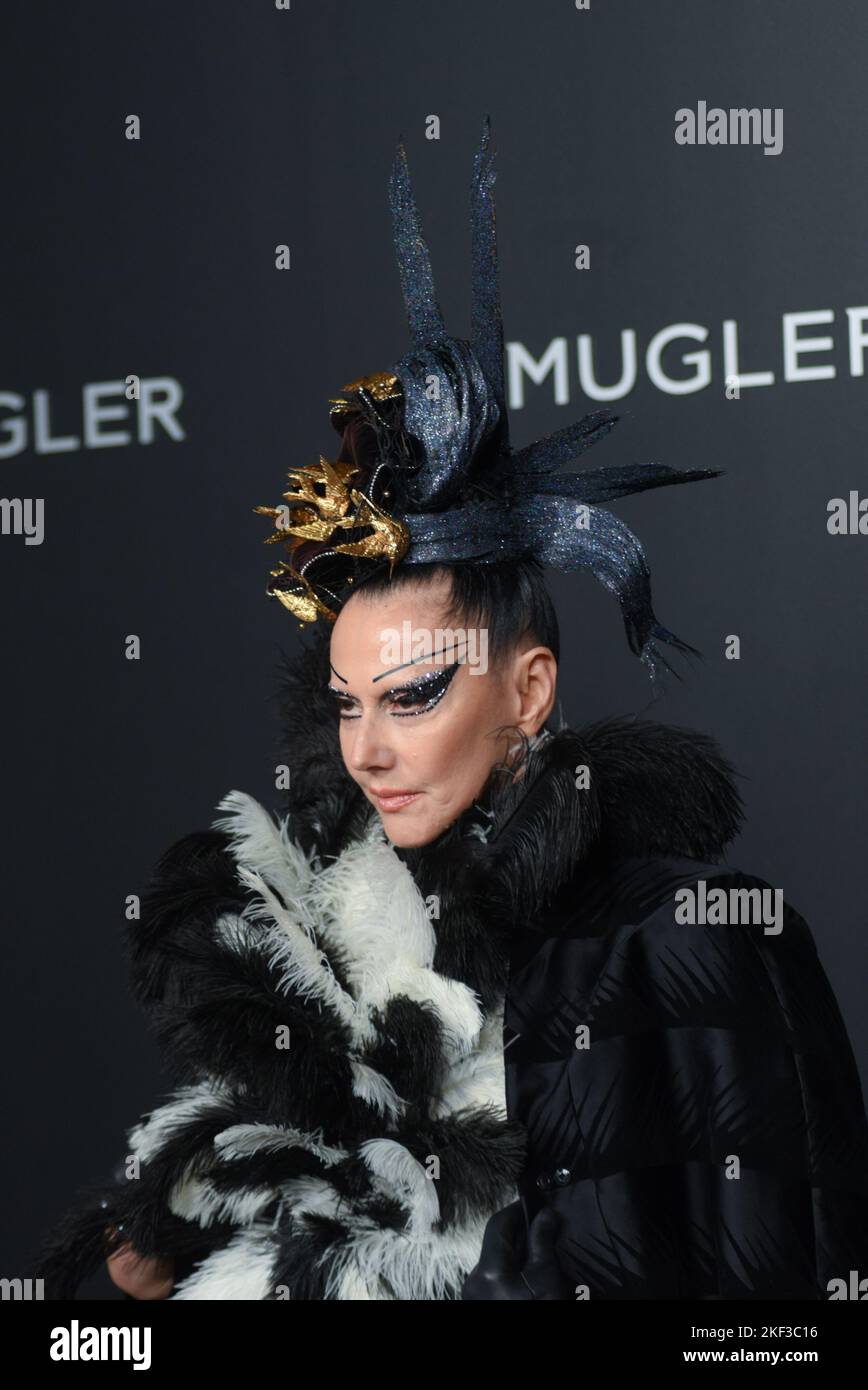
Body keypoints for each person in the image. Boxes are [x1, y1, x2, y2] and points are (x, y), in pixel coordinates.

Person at [33, 119, 868, 1300]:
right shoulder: (332, 959)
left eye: (415, 695)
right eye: (344, 705)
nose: (368, 748)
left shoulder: (686, 937)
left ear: (527, 688)